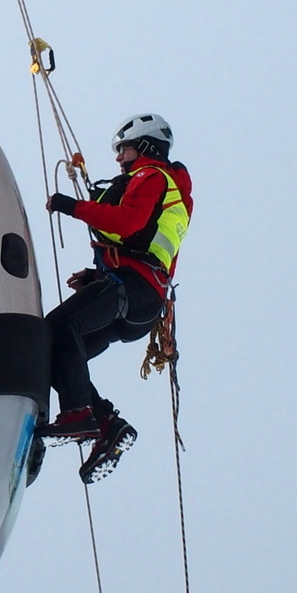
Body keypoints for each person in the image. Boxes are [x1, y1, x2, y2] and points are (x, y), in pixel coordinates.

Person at [38, 113, 194, 479]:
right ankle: (107, 426)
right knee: (59, 353)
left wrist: (71, 206)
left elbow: (127, 225)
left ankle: (79, 415)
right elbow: (146, 246)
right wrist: (95, 275)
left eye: (122, 149)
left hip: (135, 287)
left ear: (143, 146)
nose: (118, 158)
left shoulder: (153, 177)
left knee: (59, 326)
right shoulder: (169, 190)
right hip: (141, 296)